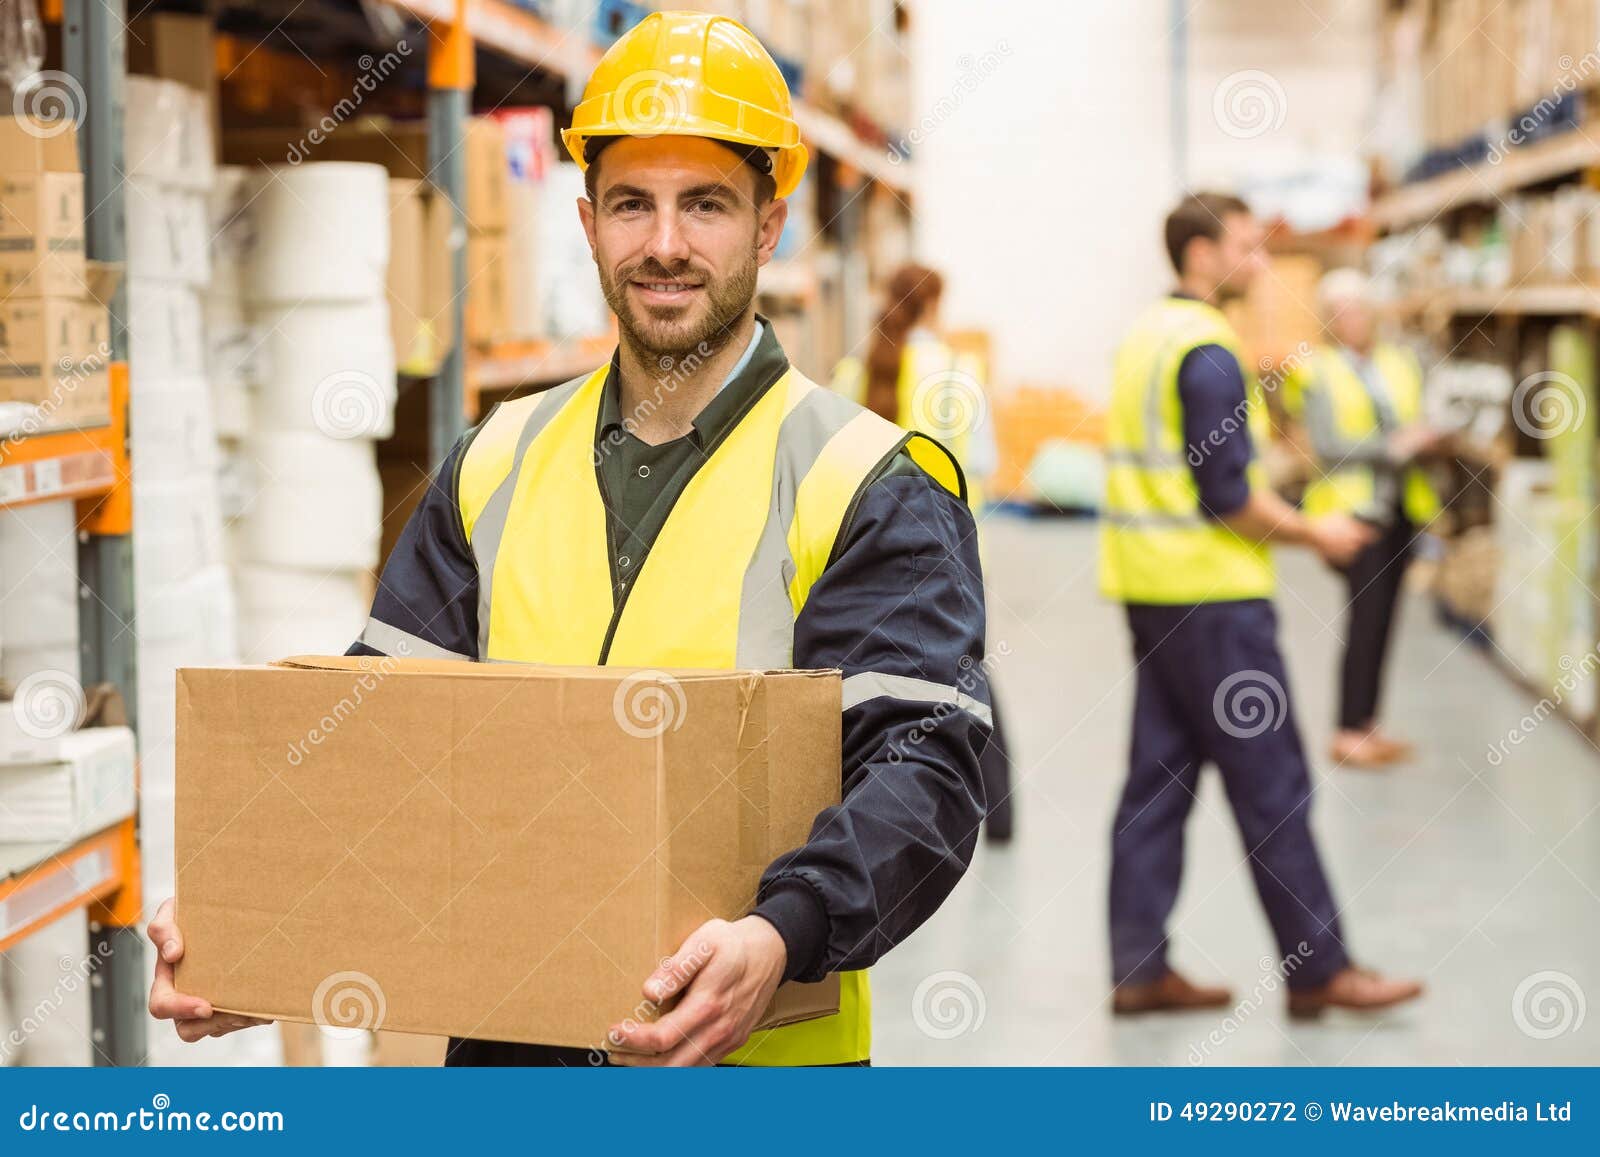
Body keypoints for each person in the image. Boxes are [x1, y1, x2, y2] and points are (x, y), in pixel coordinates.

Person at [146, 11, 991, 1067]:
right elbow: (383, 739)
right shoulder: (498, 455)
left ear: (769, 227)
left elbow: (926, 766)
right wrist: (265, 923)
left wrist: (782, 933)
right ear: (588, 223)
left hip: (747, 1063)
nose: (666, 243)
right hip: (512, 1054)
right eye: (633, 204)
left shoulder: (866, 478)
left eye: (707, 206)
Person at [1099, 191, 1424, 1017]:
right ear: (1202, 254)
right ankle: (1320, 970)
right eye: (1245, 245)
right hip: (1215, 599)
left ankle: (1138, 968)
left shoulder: (1144, 334)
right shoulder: (1209, 350)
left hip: (1149, 586)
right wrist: (1319, 533)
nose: (1257, 261)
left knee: (1158, 778)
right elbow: (1227, 498)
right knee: (1270, 778)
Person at [832, 262, 1013, 842]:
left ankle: (867, 814)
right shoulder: (957, 371)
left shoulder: (852, 370)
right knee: (963, 677)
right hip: (943, 553)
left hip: (862, 551)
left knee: (872, 682)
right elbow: (982, 463)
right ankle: (999, 814)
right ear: (934, 305)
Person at [1282, 269, 1444, 768]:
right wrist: (1395, 448)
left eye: (1360, 308)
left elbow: (1414, 416)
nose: (1354, 318)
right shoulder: (1315, 372)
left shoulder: (1396, 363)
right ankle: (1348, 731)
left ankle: (1368, 725)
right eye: (1342, 311)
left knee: (1385, 621)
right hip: (1352, 514)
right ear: (1329, 319)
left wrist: (1424, 439)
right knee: (1366, 618)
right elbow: (1328, 447)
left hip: (1401, 508)